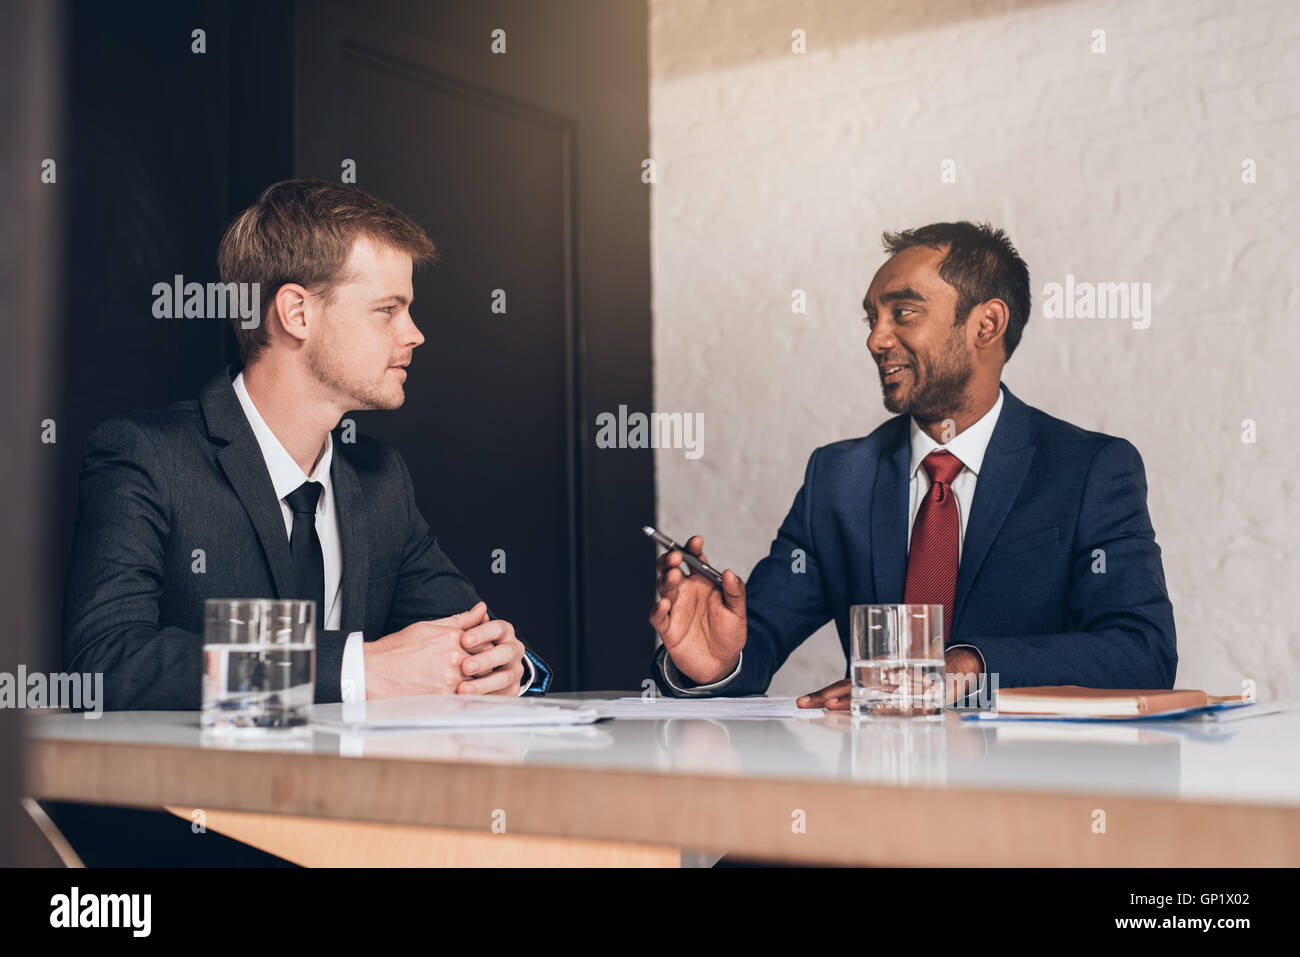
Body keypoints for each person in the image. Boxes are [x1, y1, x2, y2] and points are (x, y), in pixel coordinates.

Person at [63, 179, 551, 711]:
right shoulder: (146, 457)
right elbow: (103, 662)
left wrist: (506, 668)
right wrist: (357, 670)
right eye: (387, 309)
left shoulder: (381, 479)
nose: (415, 334)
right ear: (297, 313)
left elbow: (475, 642)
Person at [649, 221, 1175, 709]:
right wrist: (715, 661)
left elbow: (1142, 652)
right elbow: (756, 637)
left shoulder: (1088, 470)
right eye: (872, 318)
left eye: (903, 312)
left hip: (1032, 775)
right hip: (880, 773)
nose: (876, 339)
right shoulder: (838, 478)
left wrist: (967, 667)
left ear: (987, 324)